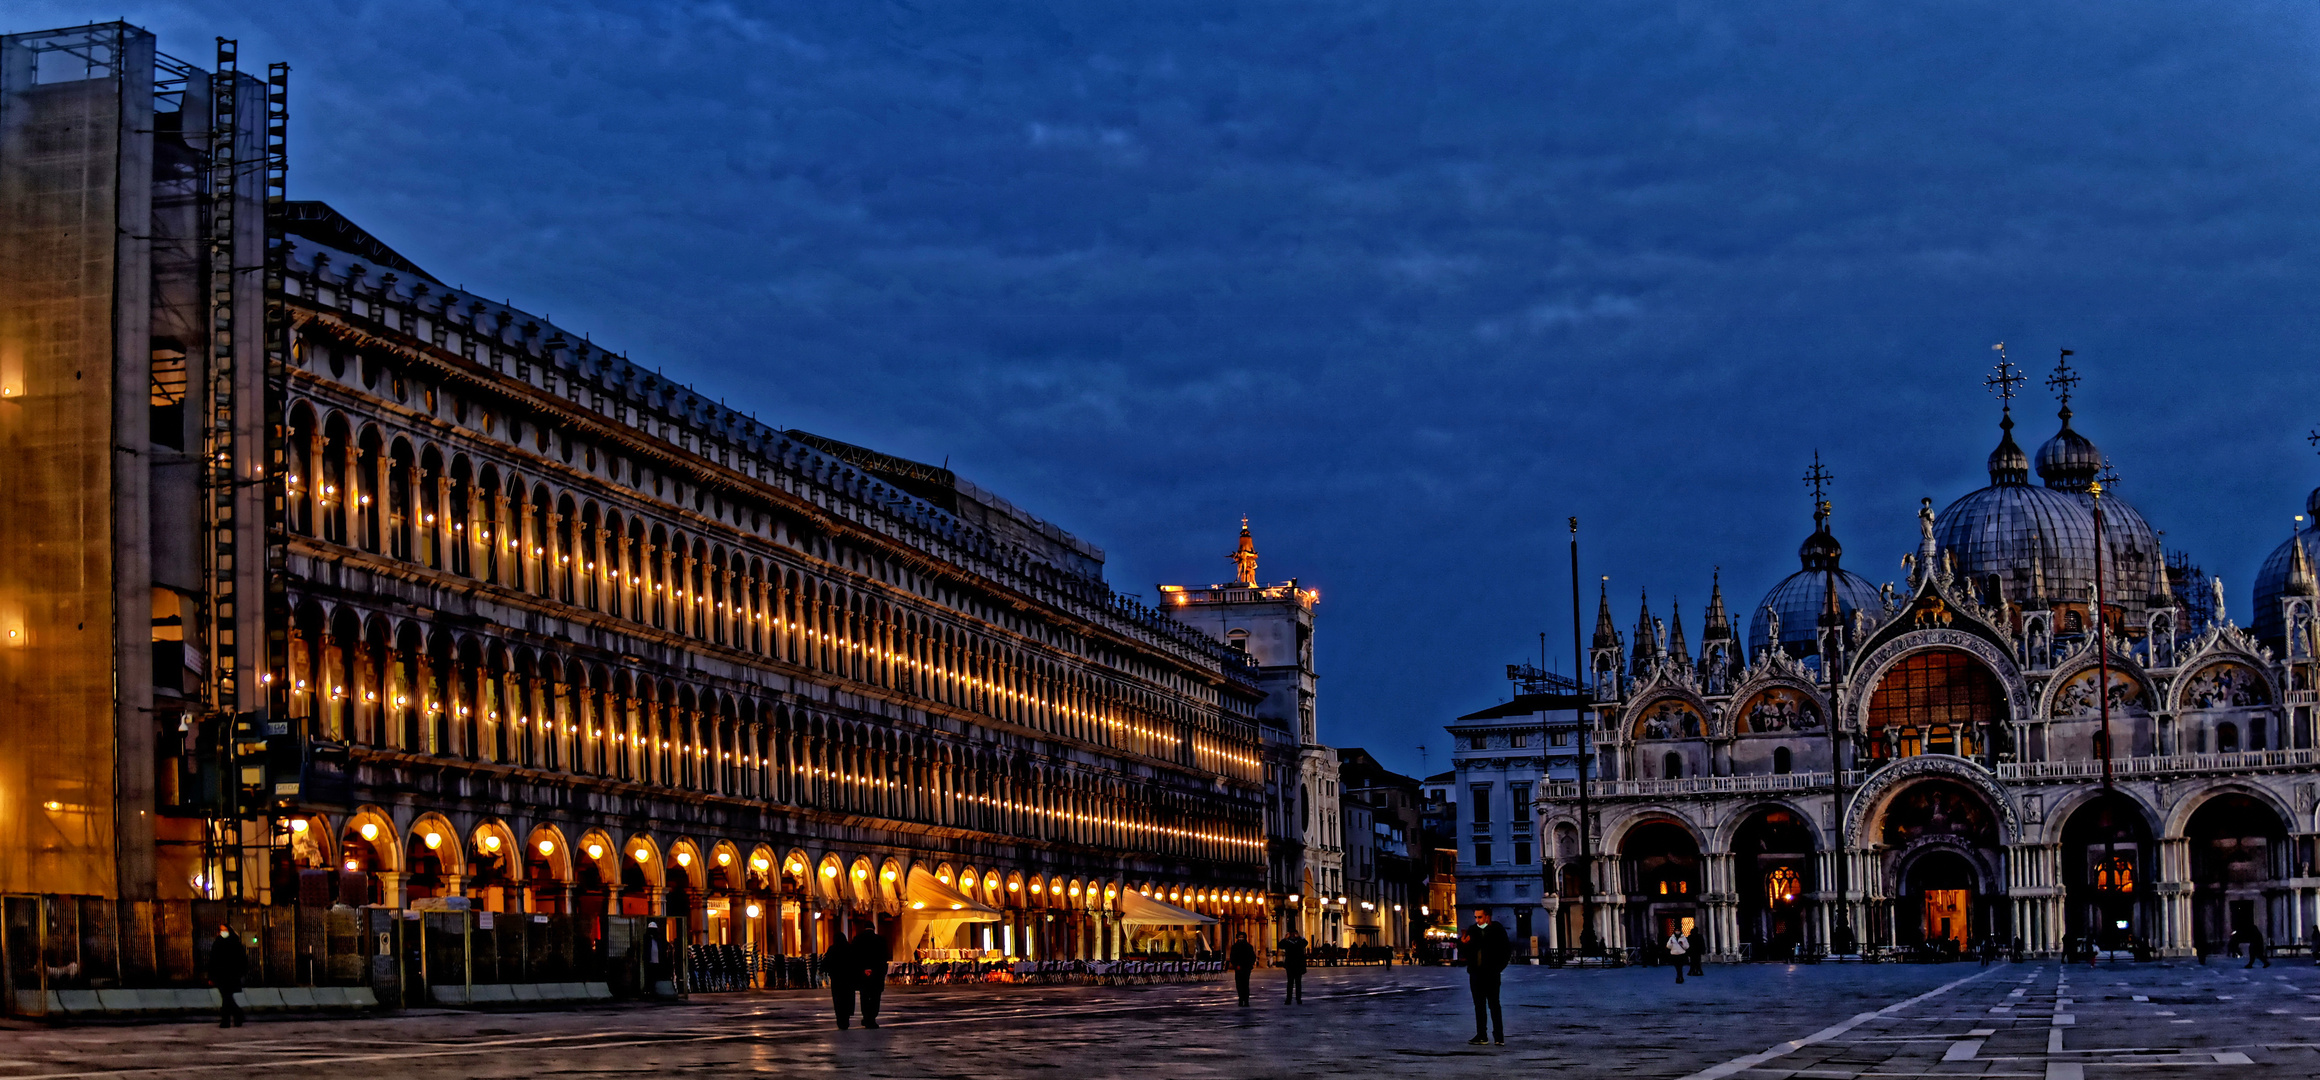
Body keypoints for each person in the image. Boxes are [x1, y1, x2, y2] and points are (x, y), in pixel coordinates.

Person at [1460, 909, 1511, 1046]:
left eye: (1480, 917)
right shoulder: (1472, 930)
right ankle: (1481, 1035)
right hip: (1476, 974)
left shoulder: (1497, 930)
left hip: (1492, 974)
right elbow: (1465, 953)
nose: (1477, 920)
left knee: (1494, 1004)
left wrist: (1498, 968)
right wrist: (1464, 943)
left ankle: (1498, 1036)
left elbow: (1506, 951)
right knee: (1479, 1005)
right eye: (1476, 917)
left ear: (1488, 916)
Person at [206, 924, 247, 1028]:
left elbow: (242, 960)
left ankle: (227, 1020)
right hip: (221, 975)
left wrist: (240, 972)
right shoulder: (218, 943)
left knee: (226, 998)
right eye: (221, 930)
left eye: (225, 930)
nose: (223, 932)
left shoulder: (235, 943)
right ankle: (238, 1015)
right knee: (227, 997)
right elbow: (213, 960)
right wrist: (211, 976)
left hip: (232, 975)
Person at [852, 923, 892, 1028]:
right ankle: (872, 1018)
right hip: (877, 974)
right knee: (875, 996)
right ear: (874, 929)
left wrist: (864, 969)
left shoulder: (857, 939)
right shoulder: (880, 940)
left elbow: (854, 957)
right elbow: (884, 957)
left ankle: (866, 1016)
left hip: (862, 973)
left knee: (864, 996)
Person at [823, 928, 857, 1029]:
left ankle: (840, 1019)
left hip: (836, 979)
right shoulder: (849, 948)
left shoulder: (832, 949)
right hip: (848, 979)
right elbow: (855, 962)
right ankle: (846, 1019)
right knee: (848, 999)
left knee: (838, 1000)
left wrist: (828, 971)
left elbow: (826, 962)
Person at [1228, 933, 1258, 1007]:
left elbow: (1252, 957)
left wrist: (1249, 964)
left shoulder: (1248, 947)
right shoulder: (1235, 947)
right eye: (1239, 937)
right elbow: (1232, 957)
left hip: (1246, 968)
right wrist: (1236, 965)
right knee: (1239, 984)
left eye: (1242, 937)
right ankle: (1241, 999)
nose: (1241, 939)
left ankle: (1246, 1000)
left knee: (1245, 984)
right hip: (1239, 968)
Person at [1280, 930, 1309, 1004]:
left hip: (1298, 965)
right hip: (1290, 965)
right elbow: (1280, 945)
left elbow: (1305, 943)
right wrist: (1285, 938)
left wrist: (1300, 937)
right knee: (1290, 982)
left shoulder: (1299, 941)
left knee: (1297, 983)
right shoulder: (1287, 942)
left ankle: (1298, 998)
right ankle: (1289, 999)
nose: (1293, 935)